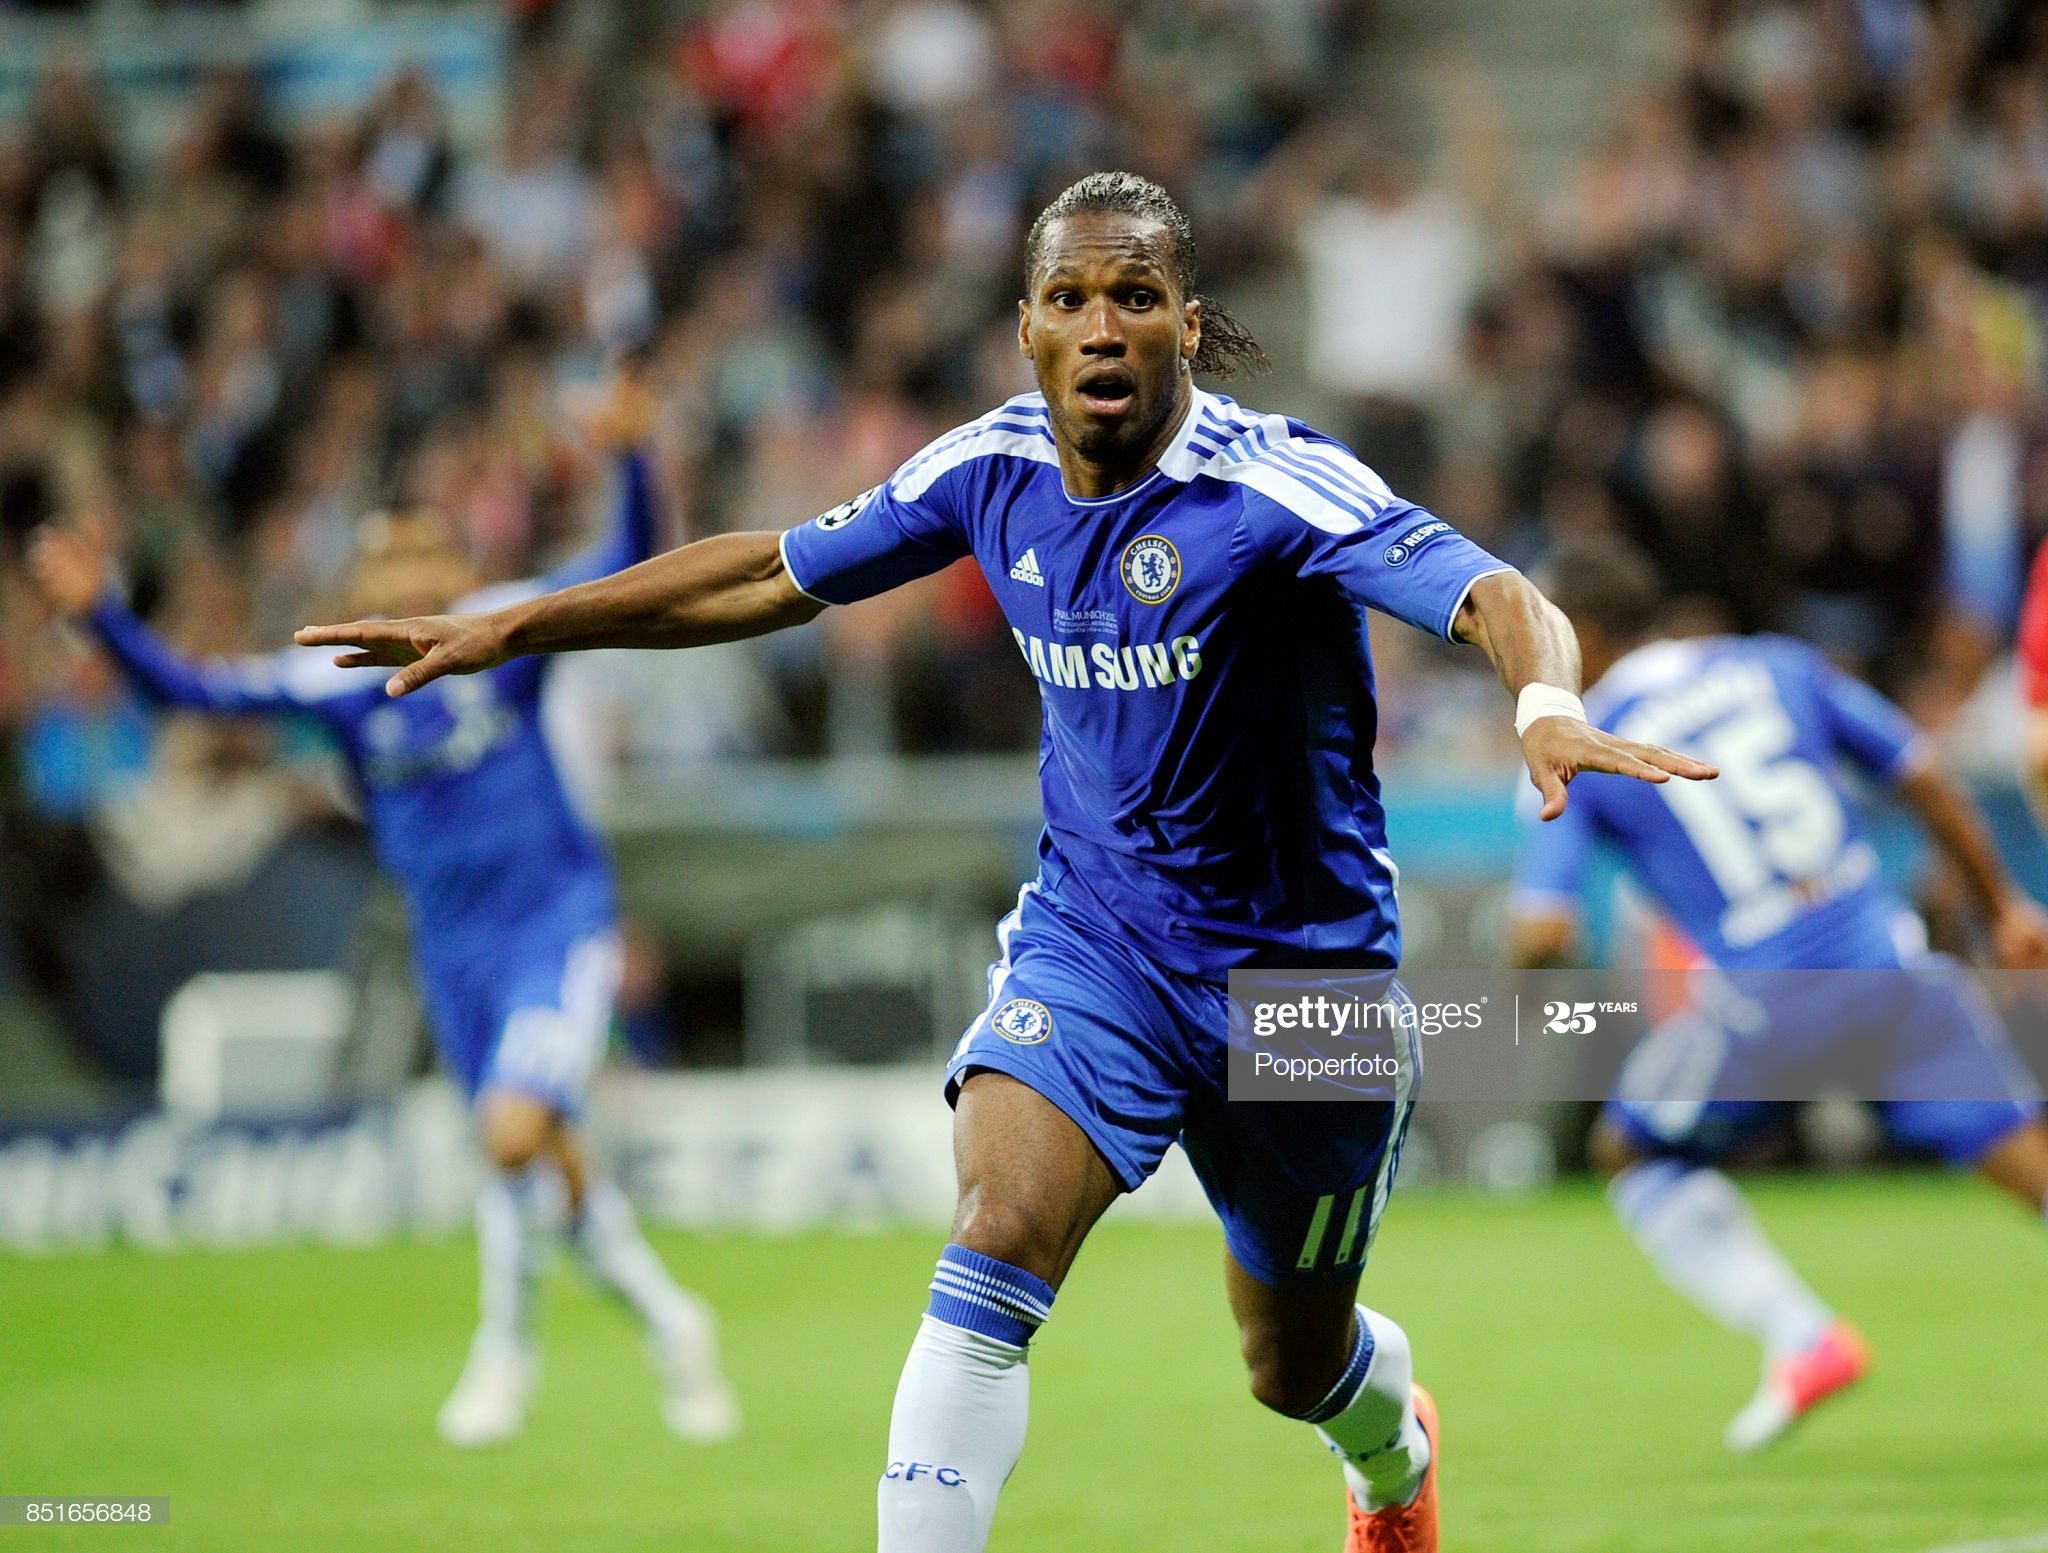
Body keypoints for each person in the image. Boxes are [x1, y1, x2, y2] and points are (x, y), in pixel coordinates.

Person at [296, 172, 1708, 1553]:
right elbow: (770, 572)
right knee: (996, 1231)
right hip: (1098, 950)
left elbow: (1494, 592)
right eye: (1070, 298)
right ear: (1025, 326)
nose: (1103, 327)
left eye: (1135, 297)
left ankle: (1392, 1450)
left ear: (1187, 324)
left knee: (1292, 1362)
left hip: (1304, 991)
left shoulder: (1271, 484)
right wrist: (516, 624)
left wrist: (1545, 701)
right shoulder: (989, 468)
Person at [29, 379, 739, 1451]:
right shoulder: (336, 680)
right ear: (362, 584)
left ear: (458, 571)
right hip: (450, 947)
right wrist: (102, 617)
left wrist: (634, 459)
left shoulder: (506, 629)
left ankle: (505, 1352)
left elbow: (632, 567)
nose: (409, 581)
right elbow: (191, 694)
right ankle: (671, 1321)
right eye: (388, 564)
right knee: (531, 1146)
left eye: (426, 559)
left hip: (553, 921)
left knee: (510, 1131)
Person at [1510, 536, 2048, 1452]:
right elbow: (1921, 771)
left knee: (1630, 1148)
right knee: (2033, 1173)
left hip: (1770, 1009)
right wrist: (2001, 907)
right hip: (1887, 967)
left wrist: (1532, 1009)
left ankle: (1803, 1336)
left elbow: (1542, 929)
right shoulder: (1777, 664)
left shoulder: (1580, 740)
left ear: (1581, 635)